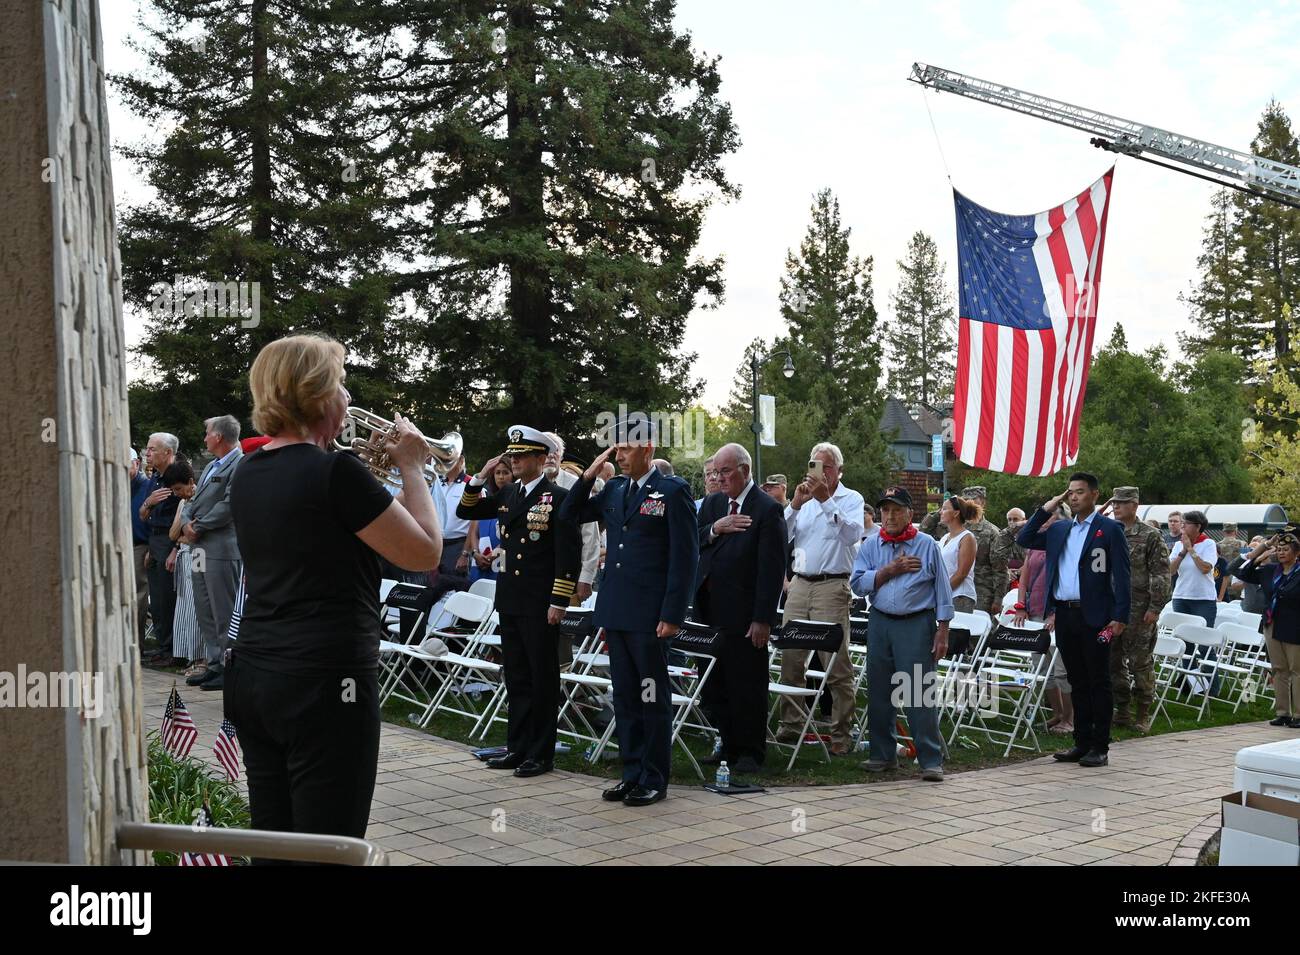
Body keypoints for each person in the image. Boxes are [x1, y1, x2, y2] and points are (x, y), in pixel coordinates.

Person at [226, 334, 442, 849]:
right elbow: (426, 552)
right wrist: (411, 467)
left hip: (256, 672)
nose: (348, 397)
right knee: (331, 848)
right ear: (319, 396)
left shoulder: (247, 469)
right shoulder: (335, 470)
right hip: (325, 678)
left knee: (273, 843)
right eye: (341, 384)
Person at [557, 414, 698, 806]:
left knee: (652, 697)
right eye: (616, 447)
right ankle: (631, 772)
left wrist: (673, 614)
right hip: (617, 610)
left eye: (627, 447)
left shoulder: (672, 491)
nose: (619, 455)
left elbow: (684, 558)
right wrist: (588, 476)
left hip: (650, 617)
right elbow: (569, 514)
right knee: (625, 698)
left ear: (648, 448)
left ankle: (654, 777)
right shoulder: (615, 489)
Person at [457, 426, 581, 777]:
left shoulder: (556, 497)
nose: (514, 460)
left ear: (541, 460)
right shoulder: (509, 492)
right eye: (512, 454)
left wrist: (560, 600)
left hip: (540, 600)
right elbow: (468, 511)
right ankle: (517, 747)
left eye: (522, 455)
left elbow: (566, 553)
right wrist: (480, 476)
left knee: (542, 678)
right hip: (510, 597)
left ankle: (540, 754)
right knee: (517, 676)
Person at [1017, 473, 1130, 768]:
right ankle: (1081, 742)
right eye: (1070, 493)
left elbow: (1122, 574)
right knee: (1076, 680)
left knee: (1098, 681)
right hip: (1064, 613)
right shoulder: (1060, 529)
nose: (1074, 497)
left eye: (1080, 492)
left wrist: (1120, 616)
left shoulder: (1109, 529)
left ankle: (1099, 745)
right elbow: (1024, 537)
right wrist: (1047, 507)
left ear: (1094, 494)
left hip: (1096, 616)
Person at [850, 485, 953, 781]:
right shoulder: (870, 545)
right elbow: (857, 584)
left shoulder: (927, 545)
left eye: (896, 510)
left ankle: (930, 759)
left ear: (910, 513)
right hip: (880, 621)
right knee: (880, 691)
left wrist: (942, 630)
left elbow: (942, 590)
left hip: (916, 622)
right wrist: (888, 571)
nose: (890, 516)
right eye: (885, 510)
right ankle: (882, 755)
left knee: (917, 691)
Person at [694, 443, 785, 774]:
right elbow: (696, 538)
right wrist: (715, 529)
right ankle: (727, 744)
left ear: (745, 471)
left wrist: (763, 618)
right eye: (715, 472)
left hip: (745, 614)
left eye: (725, 471)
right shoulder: (715, 503)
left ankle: (750, 751)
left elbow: (772, 570)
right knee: (716, 684)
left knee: (746, 684)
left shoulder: (766, 509)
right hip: (710, 610)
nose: (718, 479)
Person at [777, 441, 864, 755]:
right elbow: (781, 538)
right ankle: (791, 726)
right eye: (814, 465)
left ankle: (841, 733)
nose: (819, 472)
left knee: (836, 663)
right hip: (800, 583)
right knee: (791, 656)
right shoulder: (804, 500)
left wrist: (826, 500)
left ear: (838, 470)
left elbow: (853, 535)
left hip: (832, 584)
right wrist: (795, 506)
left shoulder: (850, 498)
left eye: (825, 466)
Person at [183, 415, 244, 691]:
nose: (205, 437)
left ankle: (230, 667)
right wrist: (186, 521)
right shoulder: (210, 465)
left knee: (223, 610)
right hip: (199, 546)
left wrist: (198, 526)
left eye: (207, 433)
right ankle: (214, 661)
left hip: (220, 547)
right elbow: (193, 500)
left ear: (219, 436)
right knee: (204, 607)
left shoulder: (239, 463)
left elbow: (230, 504)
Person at [1104, 487, 1170, 733]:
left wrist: (1155, 606)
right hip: (1111, 608)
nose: (1116, 507)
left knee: (1139, 663)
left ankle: (1142, 714)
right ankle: (1121, 711)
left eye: (1122, 503)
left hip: (1140, 609)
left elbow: (1161, 573)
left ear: (1135, 505)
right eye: (1114, 503)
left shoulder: (1150, 535)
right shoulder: (1108, 531)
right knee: (1113, 661)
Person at [1013, 504, 1073, 735]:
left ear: (1062, 520)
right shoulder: (1036, 545)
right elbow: (1024, 580)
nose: (1046, 522)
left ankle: (1070, 718)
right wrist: (1020, 607)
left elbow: (1067, 583)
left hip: (1055, 615)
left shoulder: (1066, 546)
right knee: (1041, 667)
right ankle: (1057, 713)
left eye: (1051, 518)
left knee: (1061, 670)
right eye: (1045, 518)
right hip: (1034, 613)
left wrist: (1057, 613)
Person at [1234, 528, 1300, 727]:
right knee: (1278, 669)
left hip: (1295, 626)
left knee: (1296, 670)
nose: (1280, 553)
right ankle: (1283, 712)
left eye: (1285, 549)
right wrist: (1263, 549)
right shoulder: (1270, 571)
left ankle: (1298, 714)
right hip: (1272, 624)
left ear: (1296, 553)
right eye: (1278, 549)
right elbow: (1239, 571)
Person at [139, 432, 181, 665]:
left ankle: (173, 650)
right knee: (157, 598)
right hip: (154, 541)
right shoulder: (154, 479)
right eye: (147, 448)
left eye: (152, 449)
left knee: (168, 596)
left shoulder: (179, 476)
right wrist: (149, 502)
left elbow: (185, 513)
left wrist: (175, 548)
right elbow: (143, 515)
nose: (148, 453)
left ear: (168, 452)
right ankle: (162, 647)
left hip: (169, 540)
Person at [162, 461, 202, 670]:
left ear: (190, 482)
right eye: (174, 490)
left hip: (198, 555)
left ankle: (201, 658)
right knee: (185, 605)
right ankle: (189, 655)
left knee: (198, 604)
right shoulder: (183, 502)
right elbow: (173, 534)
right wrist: (184, 508)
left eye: (179, 489)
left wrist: (183, 534)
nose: (177, 493)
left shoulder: (200, 497)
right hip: (185, 555)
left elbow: (193, 535)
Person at [1169, 510, 1218, 627]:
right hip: (1180, 597)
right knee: (1182, 637)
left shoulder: (1208, 543)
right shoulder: (1178, 545)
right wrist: (1183, 551)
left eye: (1186, 523)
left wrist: (1190, 549)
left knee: (1203, 637)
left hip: (1203, 598)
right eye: (1182, 522)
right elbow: (1170, 571)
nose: (1182, 526)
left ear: (1198, 526)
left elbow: (1205, 568)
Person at [959, 485, 1003, 616]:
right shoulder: (955, 527)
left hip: (981, 593)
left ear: (983, 502)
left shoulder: (992, 532)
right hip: (956, 591)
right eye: (965, 501)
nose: (968, 504)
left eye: (973, 500)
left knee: (976, 633)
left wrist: (998, 599)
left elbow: (999, 569)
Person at [937, 495, 979, 613]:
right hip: (945, 595)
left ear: (956, 513)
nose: (941, 512)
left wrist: (940, 592)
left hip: (960, 597)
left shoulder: (967, 538)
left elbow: (961, 574)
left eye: (945, 508)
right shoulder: (945, 538)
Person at [129, 448, 151, 642]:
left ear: (136, 463)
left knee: (138, 595)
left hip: (139, 546)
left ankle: (135, 643)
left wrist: (150, 548)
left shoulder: (147, 486)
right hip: (121, 546)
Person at [991, 508, 1027, 600]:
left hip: (1026, 585)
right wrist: (1007, 571)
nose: (1012, 522)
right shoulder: (1001, 537)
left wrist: (1022, 570)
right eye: (1009, 519)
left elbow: (1037, 558)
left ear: (1023, 520)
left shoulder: (1031, 537)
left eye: (1015, 519)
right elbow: (994, 559)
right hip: (1003, 585)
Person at [1229, 537, 1271, 614]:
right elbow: (1231, 568)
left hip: (1269, 612)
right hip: (1248, 609)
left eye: (1268, 548)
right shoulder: (1248, 564)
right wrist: (1249, 556)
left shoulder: (1279, 567)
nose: (1264, 550)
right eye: (1262, 547)